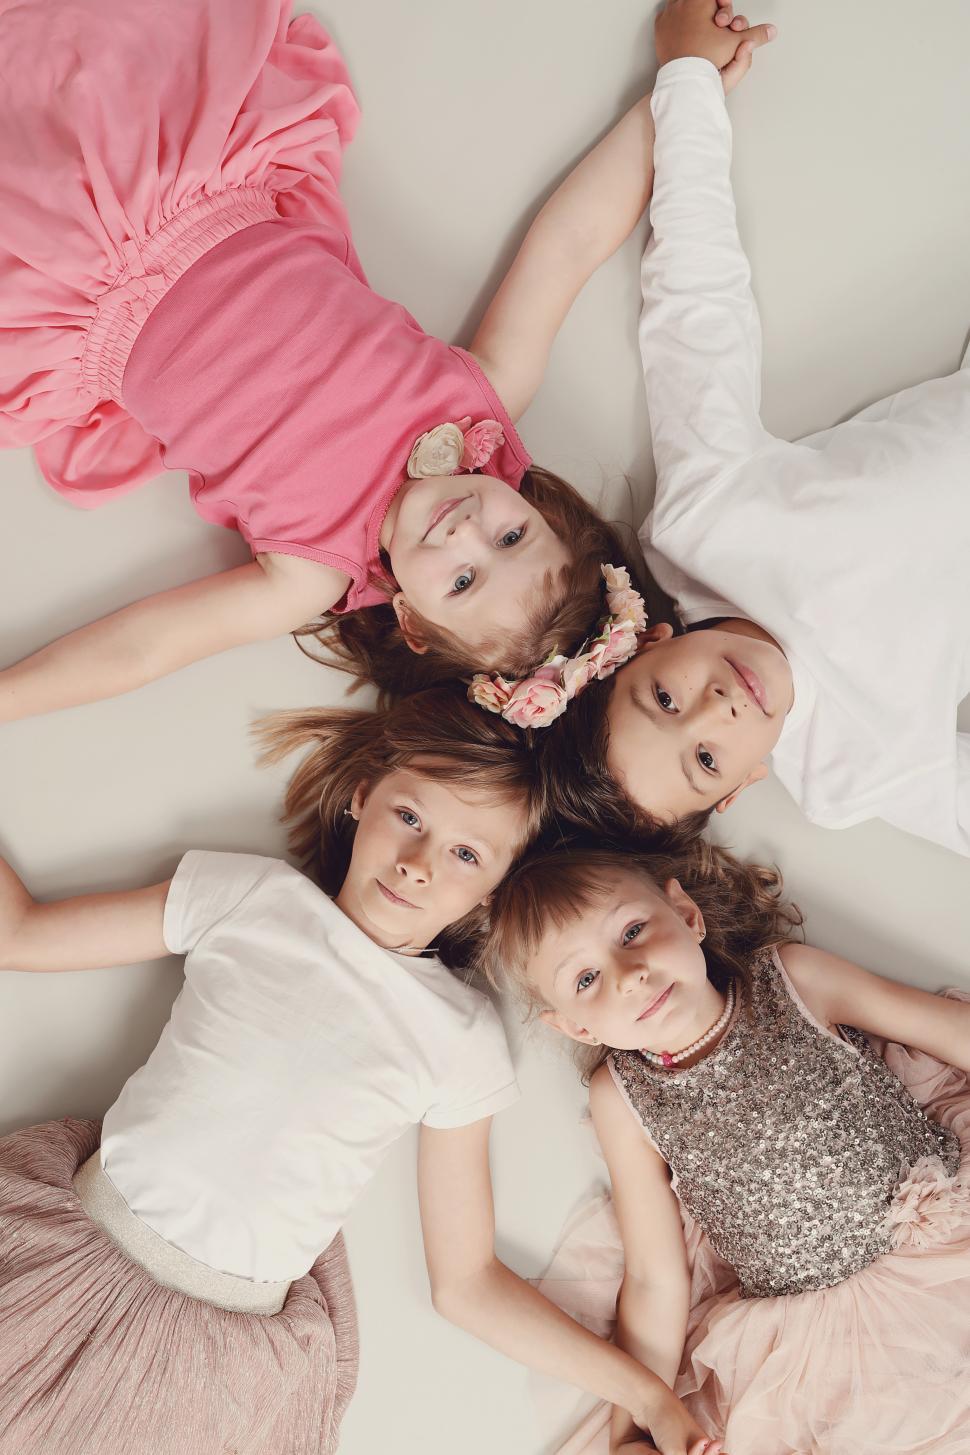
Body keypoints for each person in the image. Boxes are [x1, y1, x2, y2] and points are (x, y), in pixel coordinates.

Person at [0, 0, 773, 722]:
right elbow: (570, 242)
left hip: (75, 305)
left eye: (463, 582)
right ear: (540, 508)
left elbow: (147, 646)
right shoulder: (480, 398)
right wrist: (682, 87)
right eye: (512, 538)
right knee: (74, 55)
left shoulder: (308, 572)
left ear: (409, 616)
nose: (468, 533)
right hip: (191, 189)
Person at [0, 687, 722, 1455]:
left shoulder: (460, 1035)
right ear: (363, 793)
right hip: (68, 1256)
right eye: (411, 816)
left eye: (466, 855)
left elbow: (468, 1280)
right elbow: (20, 934)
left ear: (491, 891)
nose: (416, 865)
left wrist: (647, 1392)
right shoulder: (249, 895)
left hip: (216, 1355)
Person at [511, 0, 970, 855]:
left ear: (647, 644)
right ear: (741, 784)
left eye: (664, 699)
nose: (714, 708)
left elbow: (696, 313)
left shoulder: (706, 525)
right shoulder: (853, 772)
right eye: (708, 757)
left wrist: (686, 82)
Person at [482, 836, 970, 1454]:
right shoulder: (622, 1101)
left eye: (631, 932)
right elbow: (657, 1276)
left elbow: (950, 1030)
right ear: (576, 1026)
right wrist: (631, 1431)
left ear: (686, 916)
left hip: (944, 1240)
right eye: (585, 979)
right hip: (822, 1332)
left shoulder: (794, 979)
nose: (629, 975)